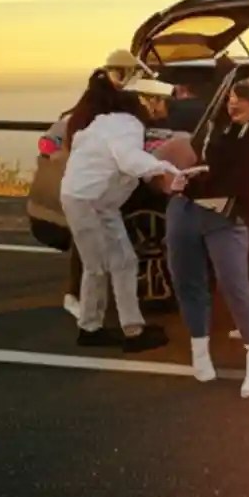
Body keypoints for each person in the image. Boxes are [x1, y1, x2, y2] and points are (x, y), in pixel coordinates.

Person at [165, 77, 249, 398]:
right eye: (231, 96)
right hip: (187, 210)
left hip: (226, 215)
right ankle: (199, 350)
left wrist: (189, 184)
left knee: (234, 284)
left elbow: (237, 180)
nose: (232, 103)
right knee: (187, 281)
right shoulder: (223, 128)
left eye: (240, 99)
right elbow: (210, 166)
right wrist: (186, 181)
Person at [61, 68, 182, 353]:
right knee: (108, 265)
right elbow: (128, 159)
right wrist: (168, 170)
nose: (158, 105)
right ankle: (122, 331)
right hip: (93, 201)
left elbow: (85, 147)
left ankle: (102, 327)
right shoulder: (127, 124)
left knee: (112, 263)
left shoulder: (101, 122)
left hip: (86, 198)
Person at [60, 50, 146, 320]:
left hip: (85, 189)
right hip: (103, 189)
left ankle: (88, 312)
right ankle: (105, 321)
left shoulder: (86, 108)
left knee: (92, 256)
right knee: (110, 260)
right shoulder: (122, 107)